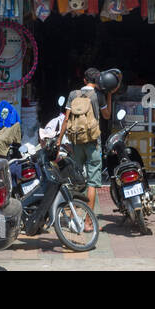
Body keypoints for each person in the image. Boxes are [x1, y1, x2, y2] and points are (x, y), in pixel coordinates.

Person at [57, 67, 112, 222]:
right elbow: (106, 116)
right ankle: (88, 222)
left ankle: (71, 217)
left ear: (84, 80)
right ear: (98, 81)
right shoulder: (98, 95)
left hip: (76, 142)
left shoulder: (73, 94)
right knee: (92, 183)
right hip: (93, 142)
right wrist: (109, 96)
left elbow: (66, 120)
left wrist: (59, 140)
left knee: (74, 180)